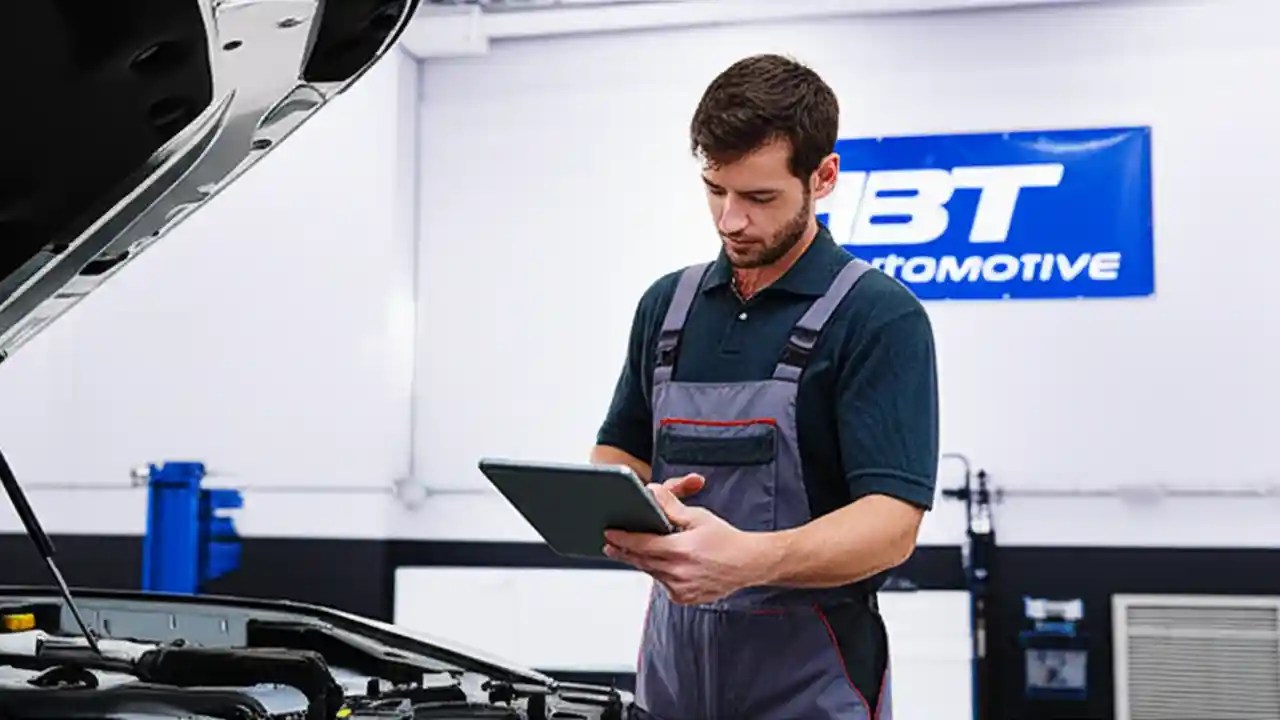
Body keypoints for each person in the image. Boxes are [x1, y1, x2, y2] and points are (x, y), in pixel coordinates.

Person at [589, 53, 939, 720]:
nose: (730, 221)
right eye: (715, 189)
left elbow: (891, 525)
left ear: (824, 176)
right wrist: (639, 505)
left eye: (759, 197)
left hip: (813, 676)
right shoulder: (666, 306)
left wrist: (747, 560)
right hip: (671, 668)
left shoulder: (877, 316)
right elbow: (617, 453)